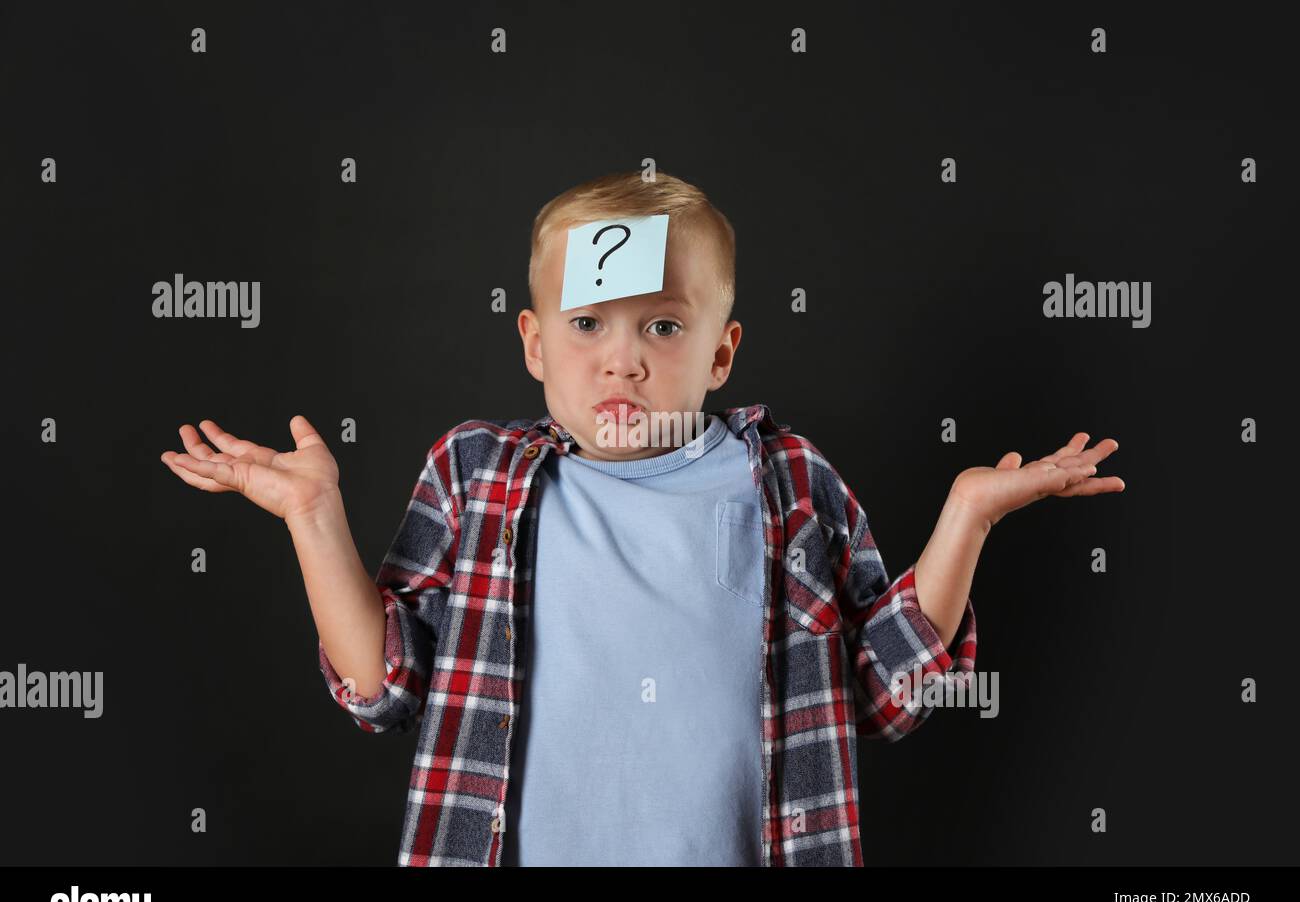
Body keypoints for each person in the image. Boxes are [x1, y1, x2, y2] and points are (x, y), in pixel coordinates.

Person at [159, 169, 1124, 866]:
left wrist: (966, 519)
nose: (622, 361)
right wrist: (313, 516)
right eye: (588, 325)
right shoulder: (475, 473)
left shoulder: (788, 481)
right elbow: (385, 689)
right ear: (535, 343)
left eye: (663, 326)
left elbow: (886, 696)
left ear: (721, 352)